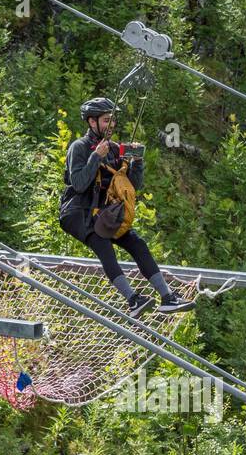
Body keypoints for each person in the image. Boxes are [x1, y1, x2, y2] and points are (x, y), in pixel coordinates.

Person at [65, 97, 194, 317]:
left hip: (106, 213)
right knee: (103, 245)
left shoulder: (115, 149)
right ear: (91, 121)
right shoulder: (80, 147)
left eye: (112, 121)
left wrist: (137, 163)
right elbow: (78, 184)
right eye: (106, 120)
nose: (111, 125)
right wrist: (96, 157)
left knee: (137, 243)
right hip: (78, 212)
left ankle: (167, 297)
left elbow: (132, 186)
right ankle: (133, 300)